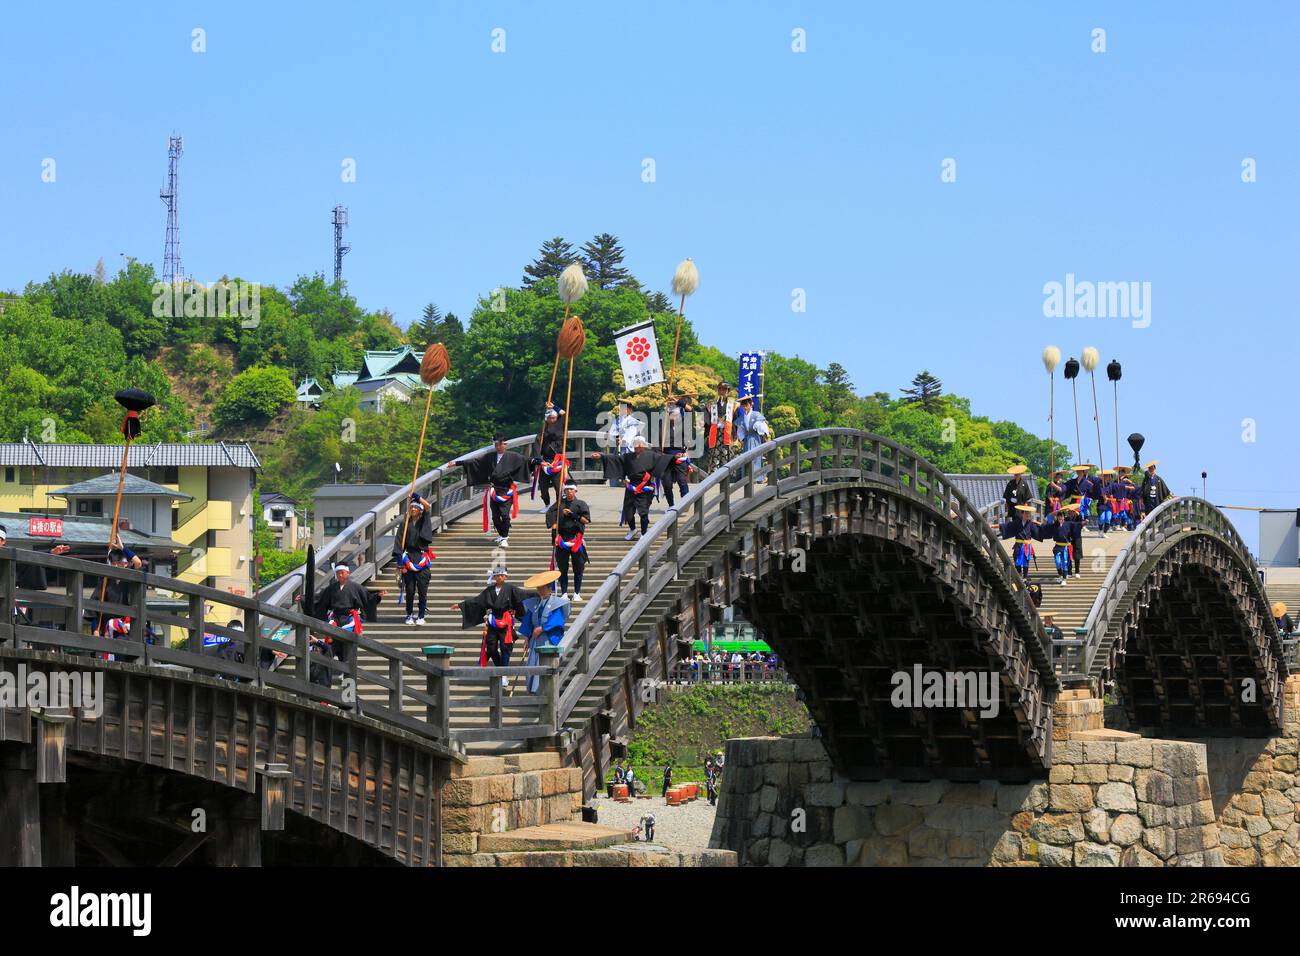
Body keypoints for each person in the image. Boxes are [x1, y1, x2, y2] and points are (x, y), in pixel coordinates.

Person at [452, 565, 529, 688]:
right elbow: (477, 600)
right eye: (497, 575)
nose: (499, 577)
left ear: (505, 576)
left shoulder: (511, 589)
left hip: (506, 622)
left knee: (505, 649)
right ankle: (500, 670)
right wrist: (461, 605)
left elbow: (523, 595)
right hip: (493, 622)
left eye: (501, 575)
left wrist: (539, 595)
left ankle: (503, 674)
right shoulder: (489, 590)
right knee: (491, 648)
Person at [590, 438, 677, 541]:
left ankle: (644, 532)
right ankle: (633, 529)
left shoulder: (652, 455)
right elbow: (616, 459)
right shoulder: (628, 456)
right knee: (628, 511)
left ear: (643, 446)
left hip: (645, 487)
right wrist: (601, 456)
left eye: (639, 445)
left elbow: (663, 459)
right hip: (631, 486)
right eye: (635, 446)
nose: (637, 447)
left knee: (643, 511)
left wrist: (674, 457)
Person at [303, 561, 376, 682]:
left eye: (342, 573)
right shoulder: (331, 588)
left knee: (347, 646)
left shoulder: (355, 587)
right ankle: (328, 672)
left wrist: (377, 596)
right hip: (335, 618)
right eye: (338, 573)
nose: (340, 575)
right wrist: (304, 598)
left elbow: (367, 597)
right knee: (332, 645)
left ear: (348, 573)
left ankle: (347, 672)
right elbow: (319, 599)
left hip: (349, 619)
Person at [453, 436, 531, 547]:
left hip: (507, 490)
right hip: (494, 489)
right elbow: (475, 462)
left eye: (501, 444)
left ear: (505, 445)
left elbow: (526, 460)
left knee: (504, 515)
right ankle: (501, 534)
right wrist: (457, 463)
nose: (498, 446)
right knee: (495, 516)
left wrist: (538, 461)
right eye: (496, 444)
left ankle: (504, 537)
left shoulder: (512, 456)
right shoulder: (490, 457)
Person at [519, 569, 569, 694]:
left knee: (545, 662)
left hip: (547, 638)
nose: (539, 591)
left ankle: (543, 690)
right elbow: (528, 621)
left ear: (548, 588)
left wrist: (542, 628)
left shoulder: (556, 603)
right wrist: (526, 637)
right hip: (535, 639)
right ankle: (533, 689)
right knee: (532, 663)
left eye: (542, 588)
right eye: (538, 588)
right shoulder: (534, 603)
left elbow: (557, 621)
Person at [394, 494, 435, 625]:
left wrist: (417, 497)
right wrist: (401, 564)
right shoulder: (405, 524)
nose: (412, 509)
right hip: (409, 557)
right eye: (411, 507)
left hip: (421, 555)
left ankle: (421, 615)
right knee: (410, 590)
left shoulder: (424, 520)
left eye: (415, 507)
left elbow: (428, 506)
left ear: (420, 510)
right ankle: (409, 614)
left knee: (423, 590)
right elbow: (399, 543)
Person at [547, 479, 590, 601]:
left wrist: (573, 515)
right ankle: (564, 592)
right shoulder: (559, 503)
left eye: (571, 489)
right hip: (562, 539)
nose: (569, 491)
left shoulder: (581, 504)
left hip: (576, 538)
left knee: (578, 568)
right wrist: (554, 535)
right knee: (562, 568)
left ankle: (577, 592)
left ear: (575, 490)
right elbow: (552, 519)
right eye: (567, 489)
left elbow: (586, 520)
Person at [532, 403, 566, 509]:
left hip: (557, 460)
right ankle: (547, 504)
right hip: (545, 461)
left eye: (554, 418)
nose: (553, 420)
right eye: (550, 418)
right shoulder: (542, 431)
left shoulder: (560, 426)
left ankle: (558, 505)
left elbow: (564, 414)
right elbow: (537, 446)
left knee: (558, 486)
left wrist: (554, 406)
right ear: (547, 419)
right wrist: (538, 460)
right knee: (543, 486)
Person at [1040, 504, 1081, 586]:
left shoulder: (1068, 523)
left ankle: (1064, 579)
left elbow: (1077, 524)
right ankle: (1060, 575)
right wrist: (1053, 514)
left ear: (1063, 517)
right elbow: (1046, 524)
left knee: (1065, 562)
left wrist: (1083, 521)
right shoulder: (1055, 525)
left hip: (1065, 547)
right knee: (1058, 562)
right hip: (1058, 546)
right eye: (1058, 516)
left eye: (1061, 516)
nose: (1060, 518)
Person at [995, 504, 1039, 580]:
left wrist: (1040, 524)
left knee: (1026, 561)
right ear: (1022, 514)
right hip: (1018, 544)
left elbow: (1038, 531)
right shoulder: (1017, 522)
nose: (1027, 515)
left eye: (1028, 513)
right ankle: (1019, 574)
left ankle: (1025, 577)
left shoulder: (1031, 524)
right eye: (1026, 513)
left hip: (1027, 545)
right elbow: (1007, 526)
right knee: (1016, 559)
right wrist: (993, 526)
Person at [702, 381, 737, 473]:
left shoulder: (733, 404)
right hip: (715, 431)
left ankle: (728, 474)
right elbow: (706, 418)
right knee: (715, 453)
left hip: (728, 432)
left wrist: (736, 433)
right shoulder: (711, 404)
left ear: (728, 391)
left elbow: (736, 419)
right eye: (720, 389)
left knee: (727, 453)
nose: (722, 391)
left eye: (724, 389)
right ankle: (714, 474)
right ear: (718, 390)